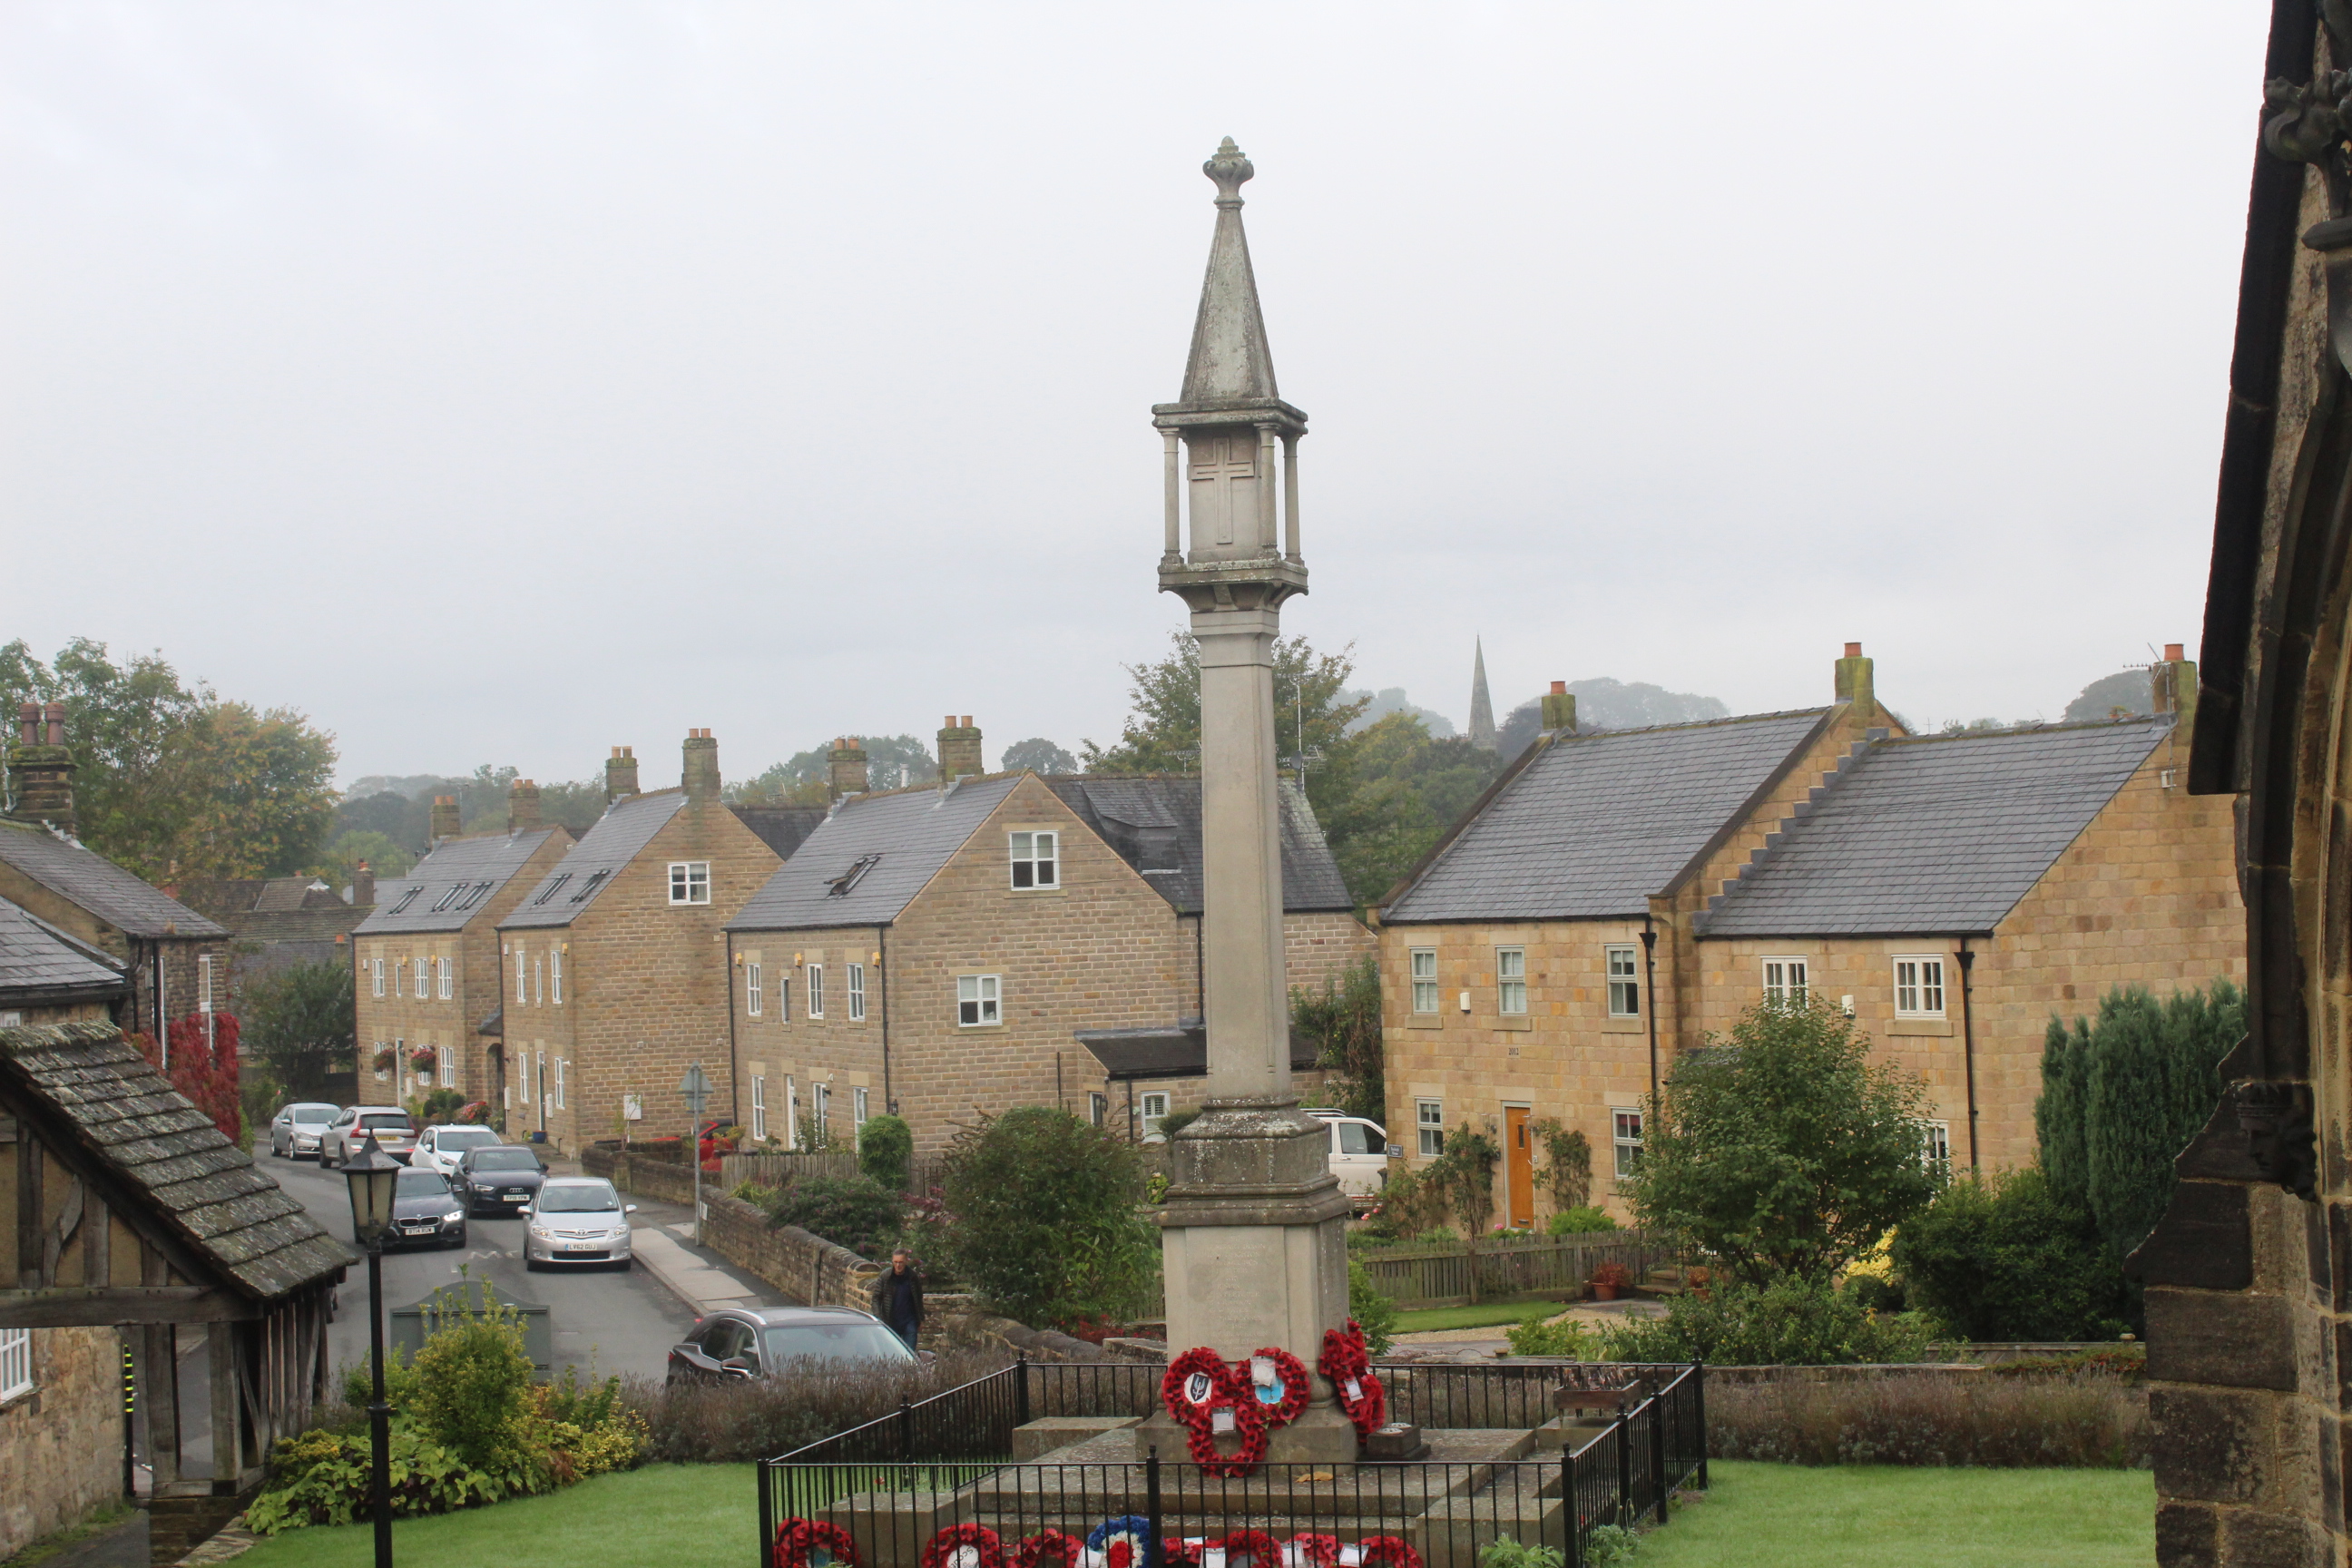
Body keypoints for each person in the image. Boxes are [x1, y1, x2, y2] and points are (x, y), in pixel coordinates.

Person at [873, 1248, 924, 1349]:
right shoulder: (885, 1277)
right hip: (891, 1321)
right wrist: (879, 1318)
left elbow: (918, 1299)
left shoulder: (913, 1277)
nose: (898, 1265)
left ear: (906, 1261)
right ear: (892, 1261)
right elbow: (876, 1299)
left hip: (909, 1321)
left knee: (909, 1353)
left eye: (900, 1262)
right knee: (892, 1352)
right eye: (895, 1262)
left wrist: (921, 1319)